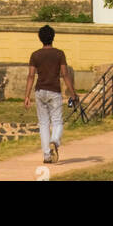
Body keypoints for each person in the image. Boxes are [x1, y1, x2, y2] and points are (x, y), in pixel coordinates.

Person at [24, 24, 79, 164]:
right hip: (54, 91)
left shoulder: (35, 55)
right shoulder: (59, 54)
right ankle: (54, 140)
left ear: (40, 38)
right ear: (53, 37)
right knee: (57, 121)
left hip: (40, 91)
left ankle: (47, 155)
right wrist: (73, 94)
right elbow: (65, 74)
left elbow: (31, 76)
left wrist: (26, 96)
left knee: (43, 123)